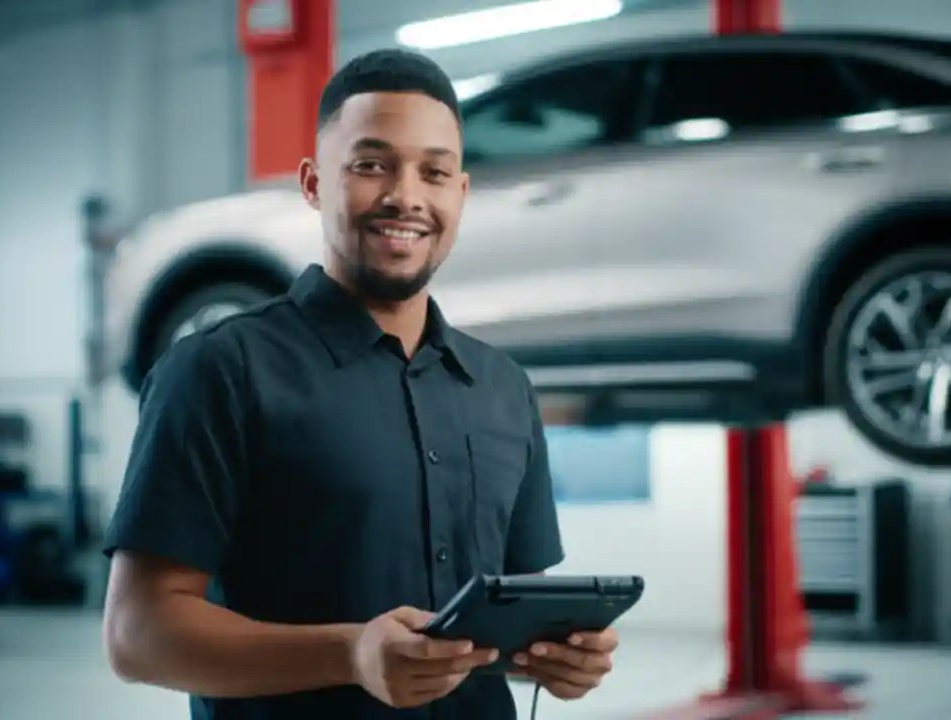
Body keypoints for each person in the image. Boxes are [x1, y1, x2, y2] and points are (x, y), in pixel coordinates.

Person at [101, 48, 621, 719]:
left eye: (433, 172)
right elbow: (138, 635)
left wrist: (559, 655)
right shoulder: (218, 373)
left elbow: (510, 621)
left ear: (459, 195)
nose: (406, 195)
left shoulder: (502, 388)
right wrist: (349, 654)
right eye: (372, 164)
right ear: (315, 184)